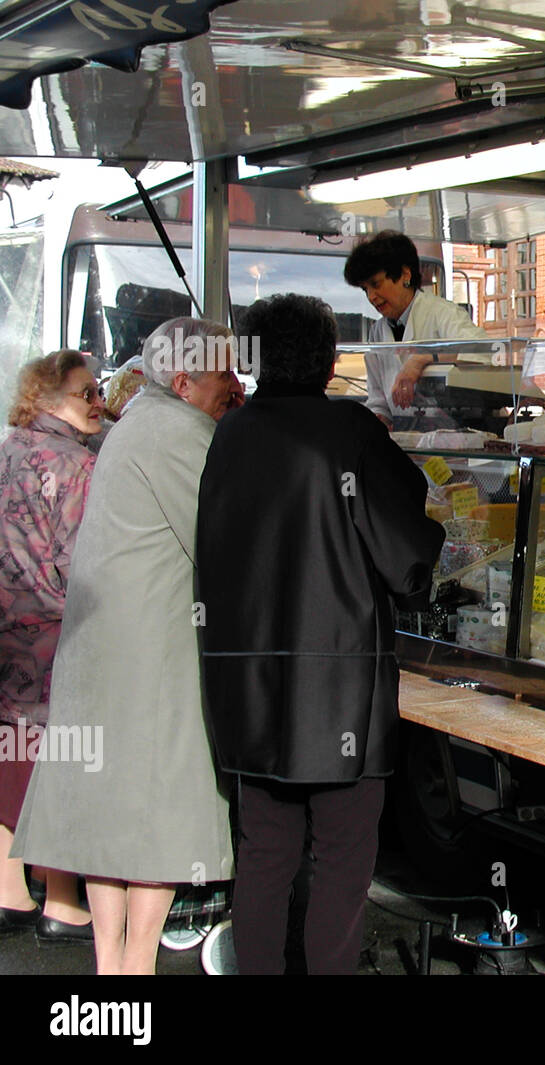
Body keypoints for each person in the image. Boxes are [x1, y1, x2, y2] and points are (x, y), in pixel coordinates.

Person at [195, 293, 442, 974]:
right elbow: (408, 555)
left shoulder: (231, 434)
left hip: (247, 691)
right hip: (339, 694)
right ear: (331, 359)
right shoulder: (351, 432)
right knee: (341, 862)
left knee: (265, 858)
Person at [11, 318, 242, 974]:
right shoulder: (180, 433)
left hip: (96, 648)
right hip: (150, 654)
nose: (235, 383)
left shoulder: (135, 421)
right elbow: (217, 542)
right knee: (157, 810)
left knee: (104, 813)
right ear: (184, 381)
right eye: (224, 372)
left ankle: (112, 963)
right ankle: (136, 964)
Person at [0, 351, 103, 942]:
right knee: (59, 762)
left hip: (8, 633)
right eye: (84, 393)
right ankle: (63, 903)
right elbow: (79, 563)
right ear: (45, 399)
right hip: (54, 635)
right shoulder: (74, 466)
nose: (97, 401)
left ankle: (11, 890)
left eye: (97, 391)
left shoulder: (9, 446)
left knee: (12, 757)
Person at [343, 229, 486, 429]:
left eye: (376, 284)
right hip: (406, 437)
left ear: (405, 275)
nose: (371, 297)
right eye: (365, 289)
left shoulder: (442, 313)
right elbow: (379, 400)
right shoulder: (377, 331)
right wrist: (378, 418)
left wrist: (423, 358)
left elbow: (482, 354)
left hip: (454, 431)